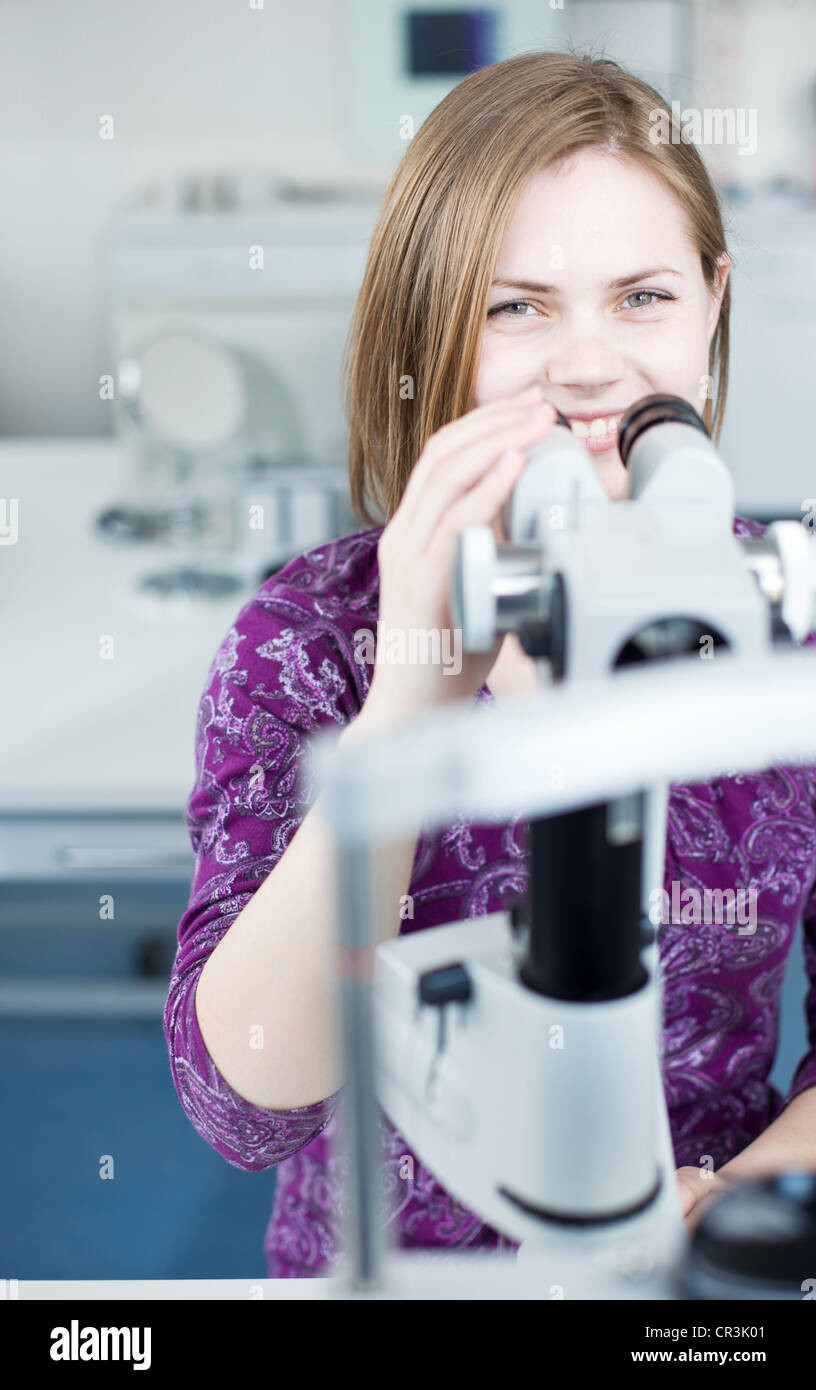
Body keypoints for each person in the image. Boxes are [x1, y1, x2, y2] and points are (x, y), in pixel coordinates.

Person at [163, 50, 816, 1279]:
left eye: (643, 299)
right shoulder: (307, 639)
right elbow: (243, 1101)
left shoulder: (790, 621)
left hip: (686, 1280)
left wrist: (731, 1202)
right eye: (517, 307)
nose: (587, 367)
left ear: (714, 302)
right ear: (432, 328)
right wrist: (412, 697)